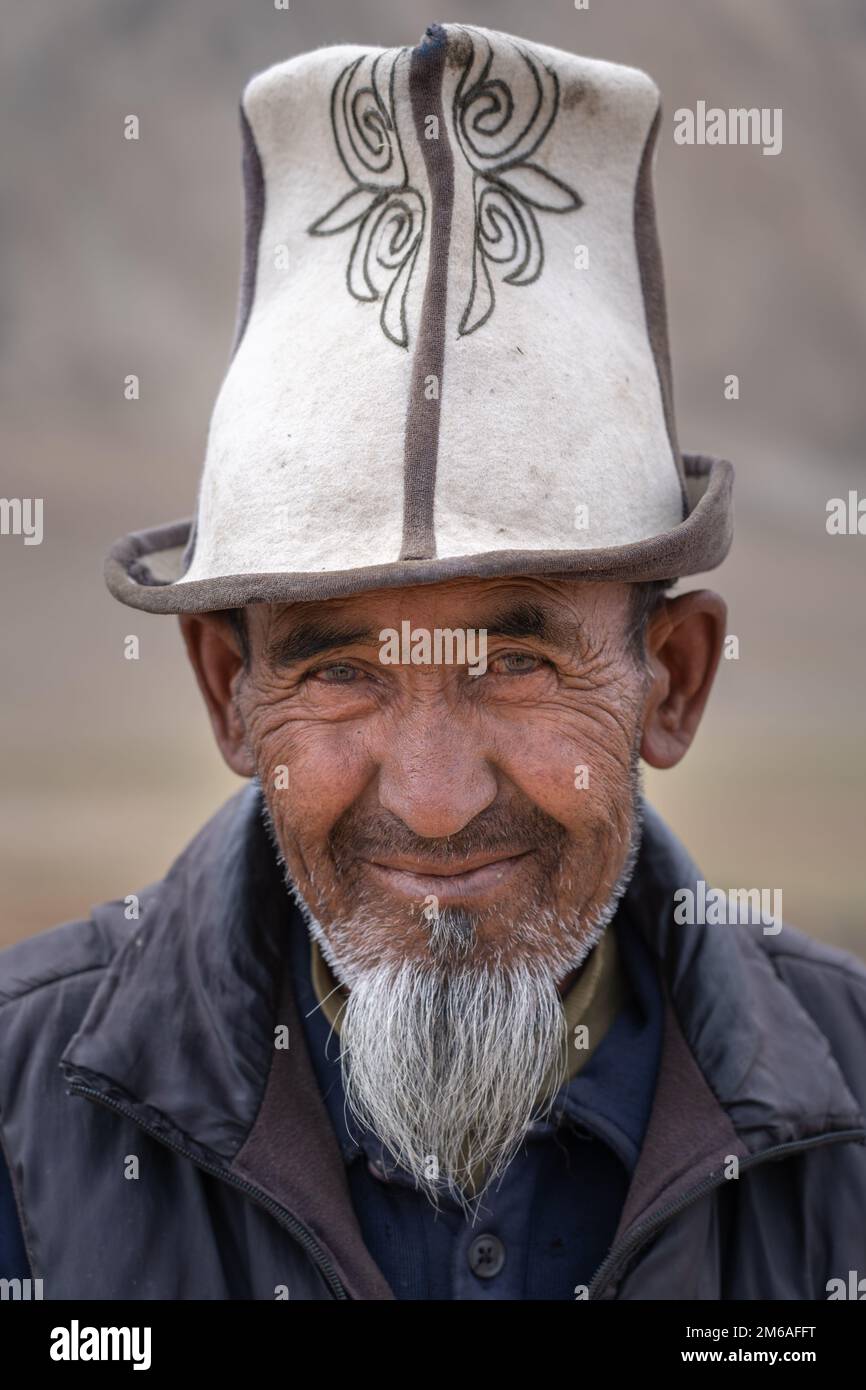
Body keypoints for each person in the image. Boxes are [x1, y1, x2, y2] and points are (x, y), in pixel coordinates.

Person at [1, 21, 864, 1301]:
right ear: (228, 693)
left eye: (516, 661)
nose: (434, 797)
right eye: (339, 670)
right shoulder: (21, 1130)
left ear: (669, 679)